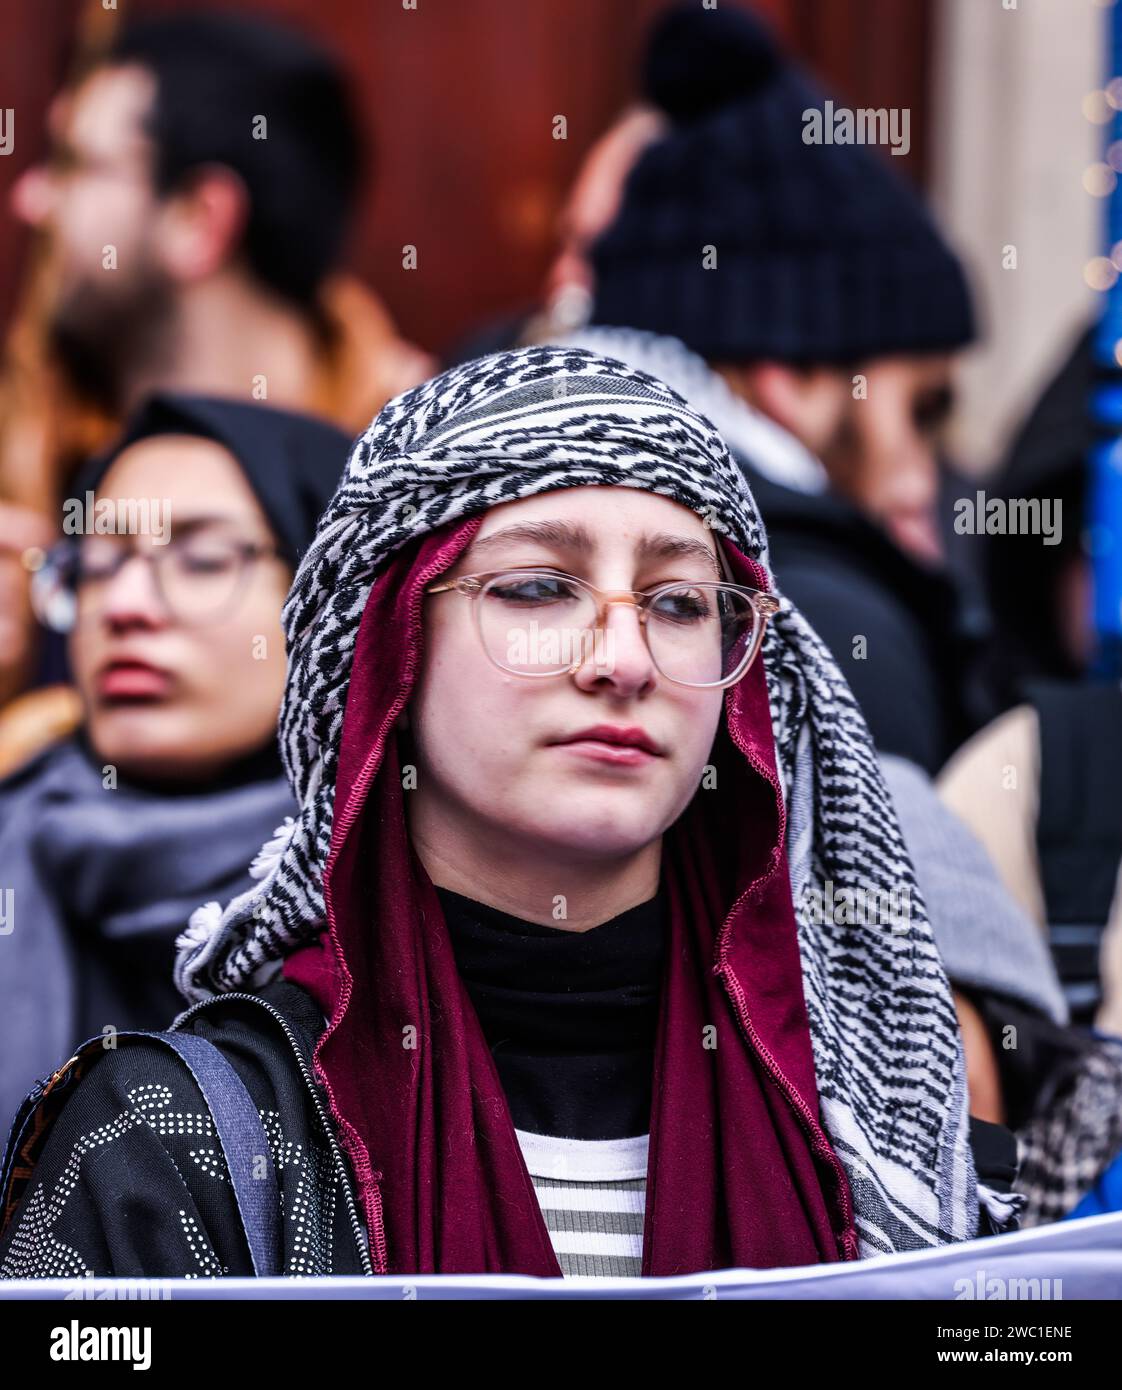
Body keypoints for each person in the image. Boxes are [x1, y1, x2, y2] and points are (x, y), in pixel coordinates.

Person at [0, 347, 1004, 1281]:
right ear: (388, 649)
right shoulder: (172, 1146)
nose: (620, 659)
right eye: (536, 587)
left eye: (680, 602)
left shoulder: (886, 1142)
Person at [571, 4, 987, 774]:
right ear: (791, 376)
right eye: (921, 408)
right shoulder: (815, 621)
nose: (924, 476)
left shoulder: (502, 494)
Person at [0, 10, 434, 724]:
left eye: (77, 164)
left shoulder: (417, 495)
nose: (31, 198)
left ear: (200, 219)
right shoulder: (26, 470)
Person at [0, 394, 351, 1133]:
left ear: (329, 604)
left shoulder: (390, 904)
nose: (125, 604)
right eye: (99, 562)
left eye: (201, 557)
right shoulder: (13, 833)